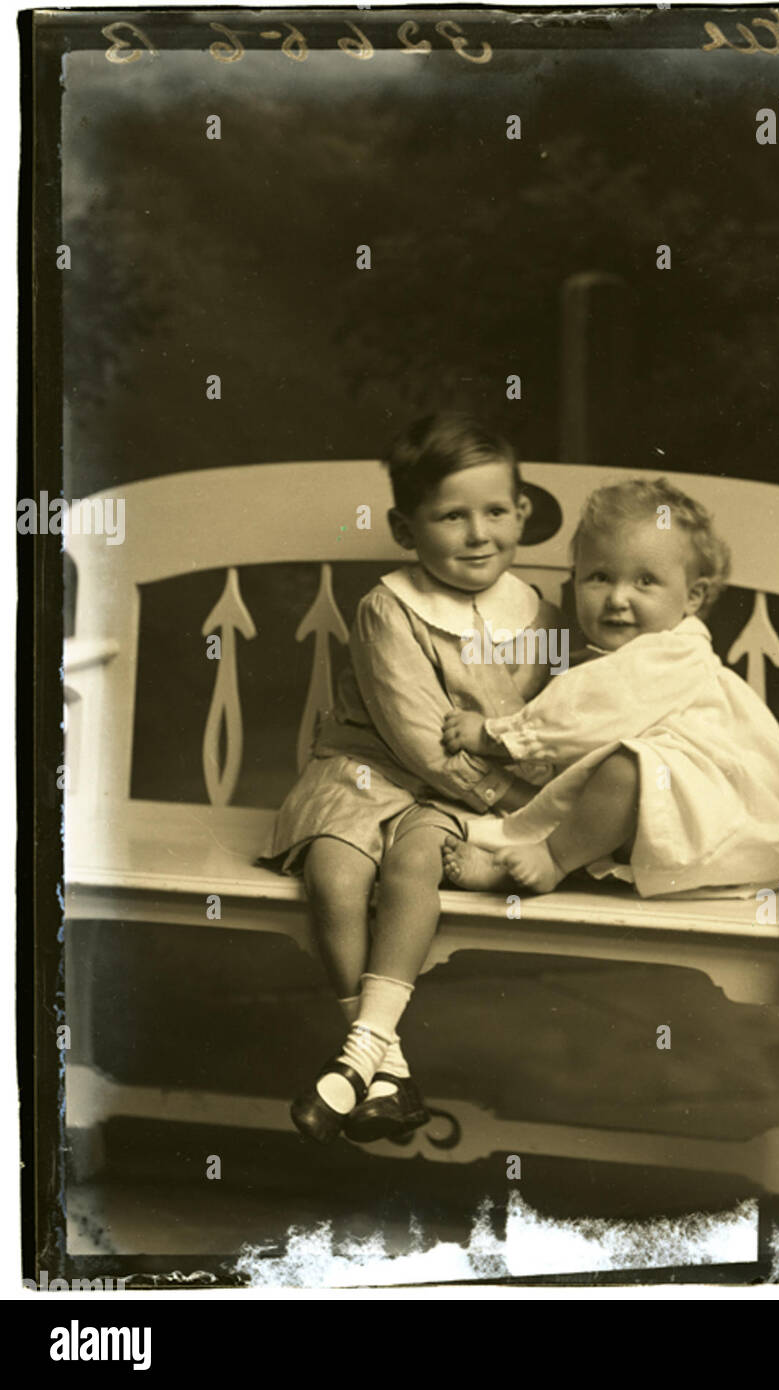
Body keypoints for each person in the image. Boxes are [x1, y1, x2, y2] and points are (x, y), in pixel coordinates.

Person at [260, 413, 563, 1144]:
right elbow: (423, 743)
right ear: (404, 528)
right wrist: (521, 802)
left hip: (447, 804)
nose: (477, 533)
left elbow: (555, 721)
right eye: (449, 517)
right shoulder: (387, 609)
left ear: (521, 514)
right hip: (370, 770)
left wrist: (539, 795)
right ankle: (381, 1063)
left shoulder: (543, 615)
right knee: (334, 876)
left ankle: (361, 1067)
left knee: (411, 866)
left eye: (495, 511)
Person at [442, 477, 779, 898]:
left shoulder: (667, 654)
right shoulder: (610, 658)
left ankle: (553, 858)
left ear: (693, 596)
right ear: (574, 580)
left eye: (645, 582)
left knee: (627, 769)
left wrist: (495, 736)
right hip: (670, 824)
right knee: (616, 773)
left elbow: (584, 714)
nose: (618, 598)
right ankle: (522, 858)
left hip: (719, 818)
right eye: (599, 577)